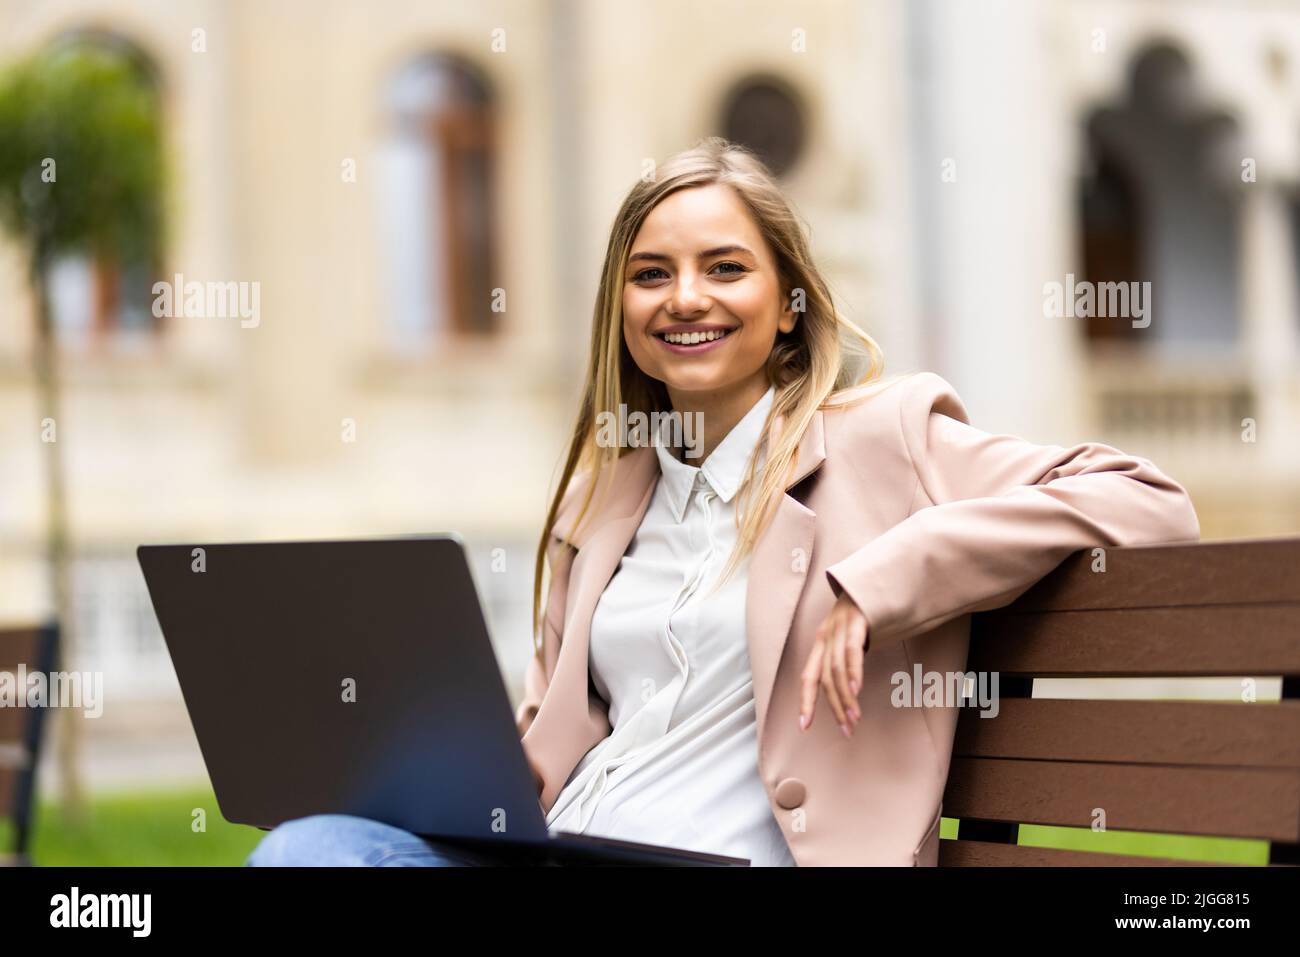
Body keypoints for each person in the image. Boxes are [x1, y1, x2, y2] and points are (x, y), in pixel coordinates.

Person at [247, 137, 1199, 867]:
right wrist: (433, 764)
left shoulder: (885, 436)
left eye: (726, 268)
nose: (684, 298)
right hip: (563, 846)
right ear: (621, 310)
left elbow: (1148, 503)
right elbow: (550, 738)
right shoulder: (605, 495)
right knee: (306, 847)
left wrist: (879, 582)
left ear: (788, 301)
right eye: (651, 273)